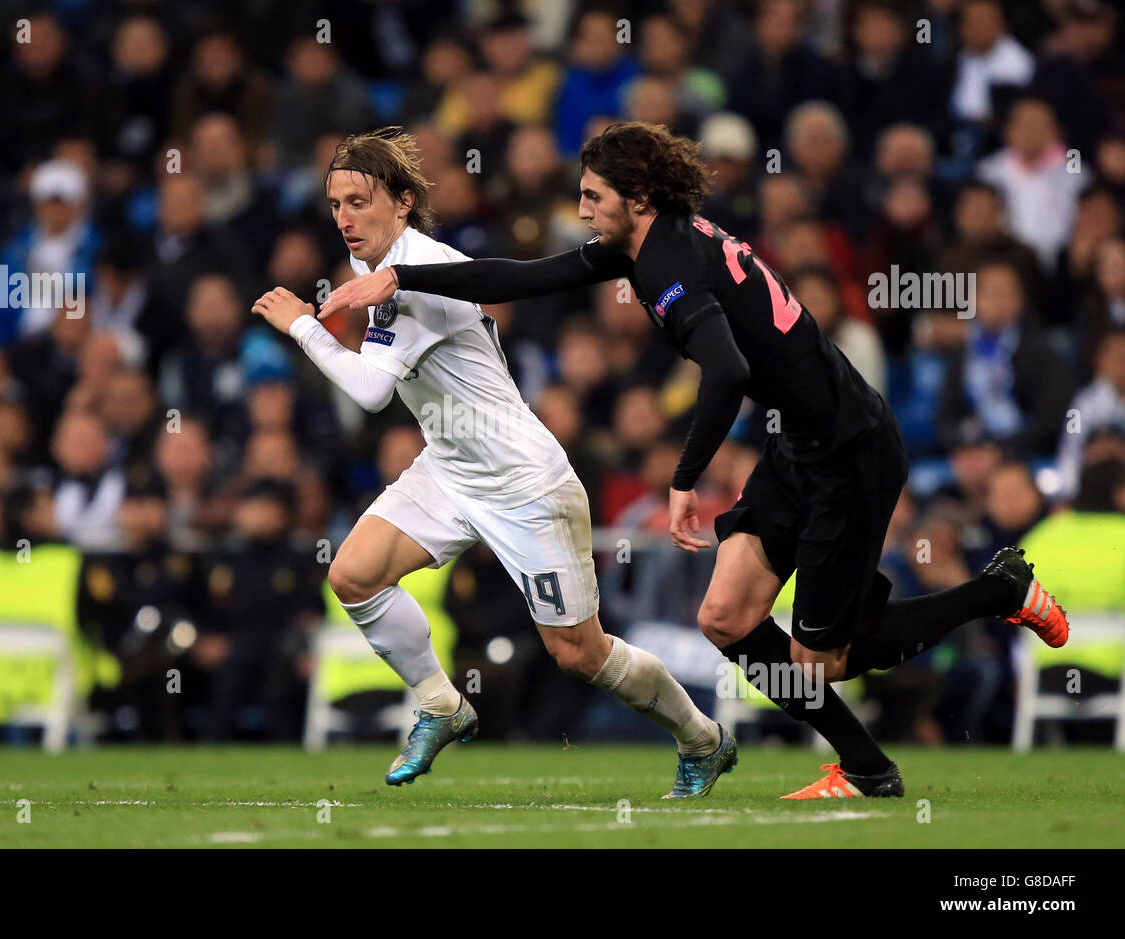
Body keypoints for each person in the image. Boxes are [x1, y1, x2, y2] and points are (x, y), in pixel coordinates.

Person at [322, 121, 1070, 799]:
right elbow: (525, 275)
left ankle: (995, 593)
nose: (581, 209)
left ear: (636, 197)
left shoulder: (666, 264)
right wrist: (404, 276)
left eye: (592, 195)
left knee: (821, 661)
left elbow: (728, 370)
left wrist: (684, 480)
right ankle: (864, 765)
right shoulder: (653, 240)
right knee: (726, 618)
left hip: (851, 451)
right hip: (798, 445)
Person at [253, 127, 735, 797]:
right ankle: (442, 705)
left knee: (580, 654)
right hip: (450, 464)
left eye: (359, 201)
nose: (344, 218)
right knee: (355, 575)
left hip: (523, 479)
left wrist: (302, 325)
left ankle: (702, 738)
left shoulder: (415, 273)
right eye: (335, 203)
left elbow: (369, 392)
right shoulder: (378, 270)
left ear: (404, 200)